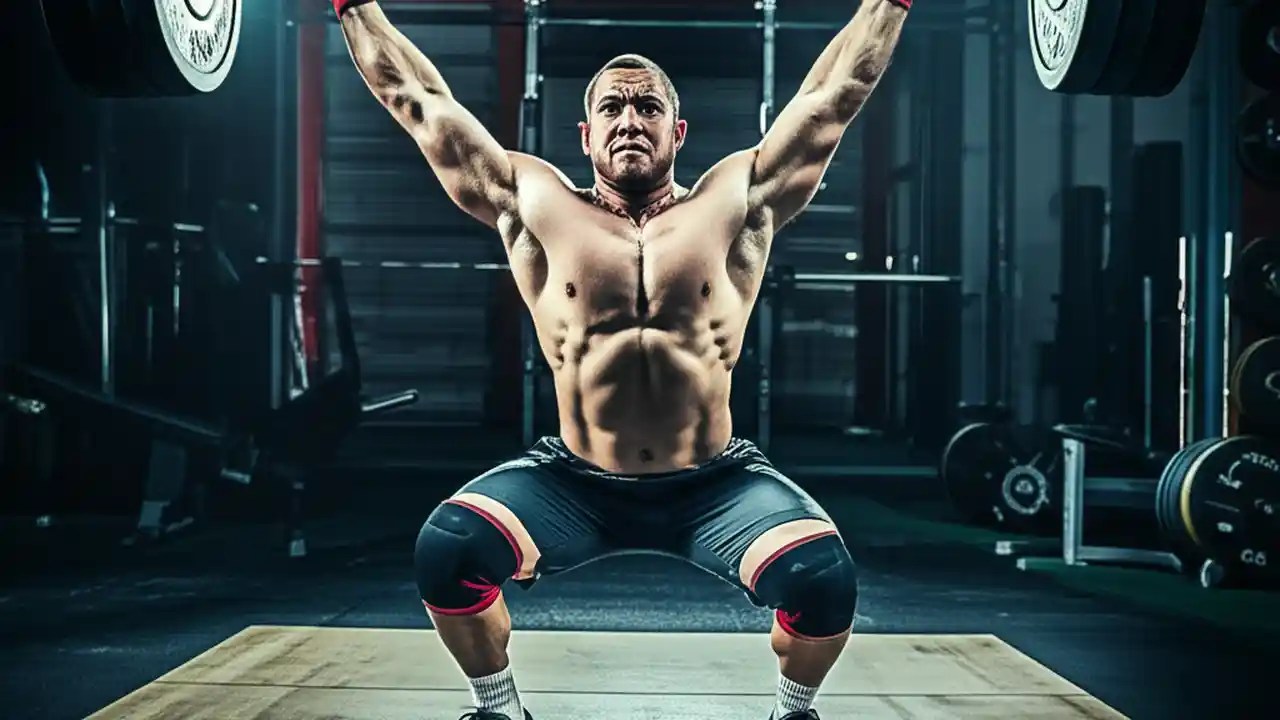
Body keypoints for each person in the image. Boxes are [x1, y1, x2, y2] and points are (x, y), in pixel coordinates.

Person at [332, 1, 910, 717]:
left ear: (678, 130)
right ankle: (498, 708)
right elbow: (418, 101)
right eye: (612, 108)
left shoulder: (736, 199)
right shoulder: (533, 201)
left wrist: (890, 5)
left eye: (647, 107)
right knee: (447, 549)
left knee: (823, 578)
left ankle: (793, 711)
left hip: (714, 485)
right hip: (577, 484)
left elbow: (833, 98)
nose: (629, 121)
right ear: (586, 133)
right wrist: (354, 8)